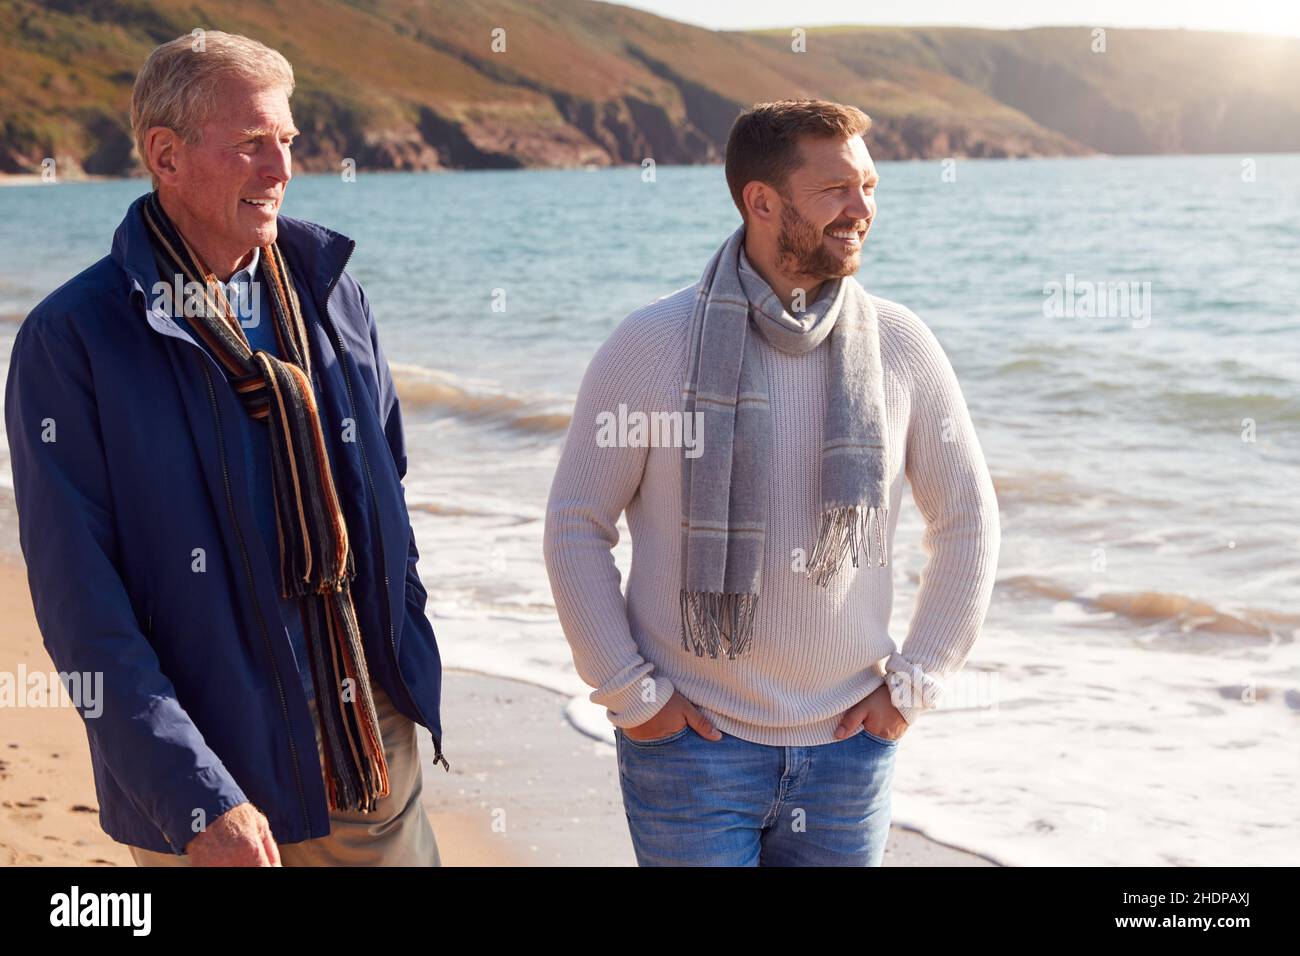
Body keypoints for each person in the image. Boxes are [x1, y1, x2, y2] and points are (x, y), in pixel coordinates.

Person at [4, 30, 447, 866]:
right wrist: (191, 792)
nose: (280, 170)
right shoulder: (75, 340)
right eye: (251, 145)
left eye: (286, 142)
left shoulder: (330, 294)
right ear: (165, 156)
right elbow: (80, 602)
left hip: (367, 735)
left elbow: (388, 490)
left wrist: (403, 664)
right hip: (208, 751)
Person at [543, 99, 1000, 866]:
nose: (863, 210)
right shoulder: (652, 345)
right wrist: (632, 695)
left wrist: (914, 687)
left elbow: (968, 521)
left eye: (870, 186)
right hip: (691, 749)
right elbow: (577, 523)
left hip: (849, 751)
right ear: (761, 200)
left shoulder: (900, 345)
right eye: (836, 191)